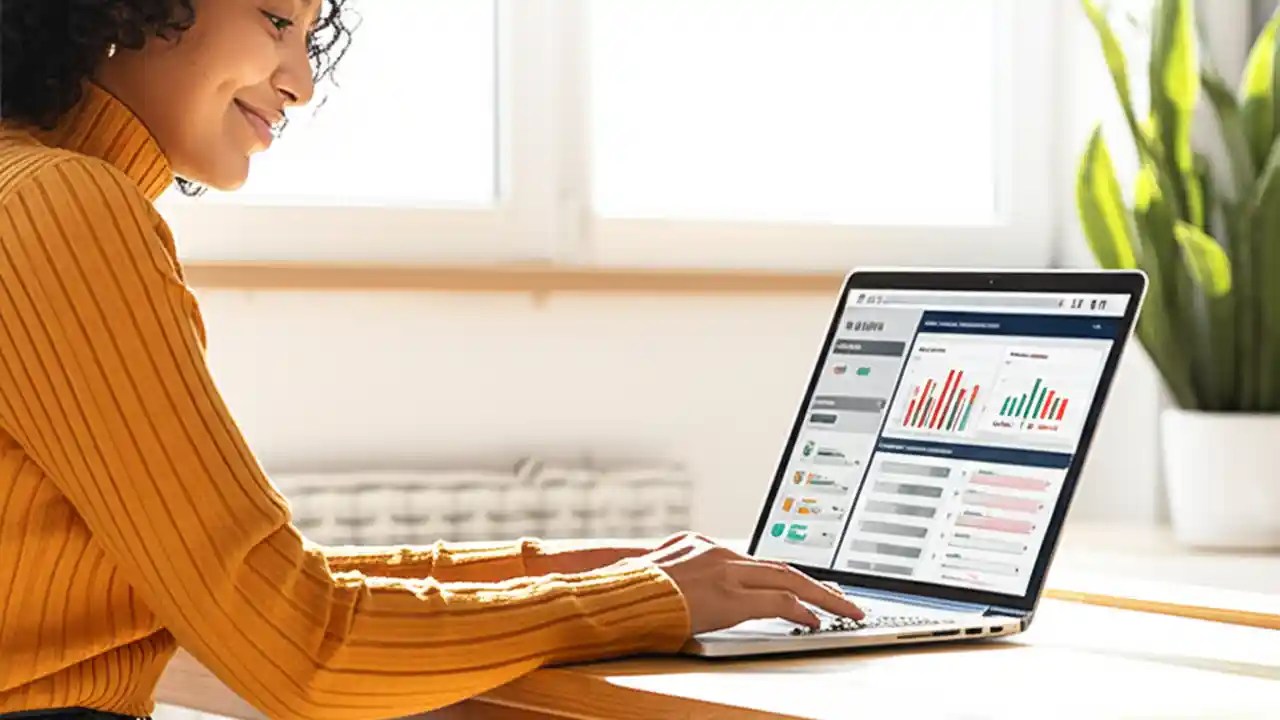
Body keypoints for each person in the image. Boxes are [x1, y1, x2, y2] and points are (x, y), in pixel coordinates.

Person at [0, 2, 863, 718]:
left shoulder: (25, 185)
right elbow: (302, 645)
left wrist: (574, 569)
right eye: (274, 20)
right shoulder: (65, 208)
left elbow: (253, 582)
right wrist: (644, 604)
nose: (299, 83)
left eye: (308, 36)